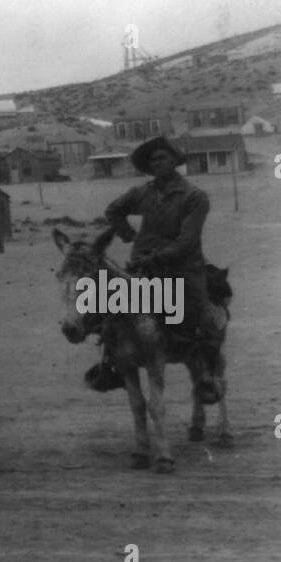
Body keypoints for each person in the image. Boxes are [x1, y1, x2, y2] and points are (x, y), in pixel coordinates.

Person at [90, 136, 226, 391]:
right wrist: (130, 236)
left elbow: (187, 242)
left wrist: (154, 255)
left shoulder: (194, 196)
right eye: (152, 160)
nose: (157, 163)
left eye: (163, 157)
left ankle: (208, 374)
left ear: (175, 161)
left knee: (200, 317)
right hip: (142, 267)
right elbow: (113, 211)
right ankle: (109, 365)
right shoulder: (142, 193)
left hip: (182, 268)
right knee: (110, 311)